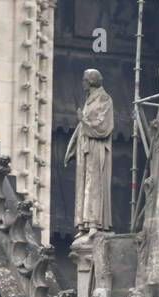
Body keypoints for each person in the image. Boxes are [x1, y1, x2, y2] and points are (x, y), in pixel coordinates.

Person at [66, 69, 114, 236]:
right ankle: (83, 224)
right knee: (83, 184)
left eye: (84, 79)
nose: (82, 82)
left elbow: (103, 127)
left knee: (94, 184)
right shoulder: (88, 100)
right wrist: (71, 149)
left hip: (96, 147)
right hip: (84, 147)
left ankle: (94, 222)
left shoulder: (104, 99)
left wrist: (83, 120)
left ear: (91, 81)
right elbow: (81, 128)